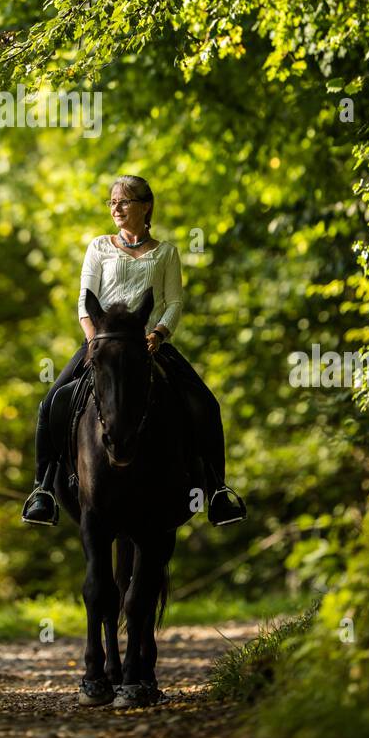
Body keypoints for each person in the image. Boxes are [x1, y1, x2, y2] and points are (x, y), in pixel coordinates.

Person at [21, 174, 247, 528]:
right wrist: (96, 341)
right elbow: (84, 301)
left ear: (145, 206)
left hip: (150, 345)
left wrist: (158, 333)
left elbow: (174, 302)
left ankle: (217, 491)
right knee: (50, 404)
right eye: (112, 202)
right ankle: (43, 490)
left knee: (205, 403)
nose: (116, 208)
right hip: (101, 345)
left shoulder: (166, 252)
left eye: (123, 201)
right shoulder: (98, 247)